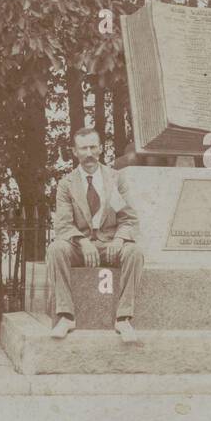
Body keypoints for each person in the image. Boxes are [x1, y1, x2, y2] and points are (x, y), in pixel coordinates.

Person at [46, 126, 144, 342]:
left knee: (134, 252)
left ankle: (123, 318)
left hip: (110, 243)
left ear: (101, 148)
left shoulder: (115, 179)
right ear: (74, 151)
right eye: (83, 148)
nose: (88, 153)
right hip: (80, 247)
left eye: (93, 147)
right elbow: (63, 224)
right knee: (55, 249)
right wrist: (82, 242)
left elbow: (129, 218)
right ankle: (66, 315)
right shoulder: (66, 184)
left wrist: (119, 239)